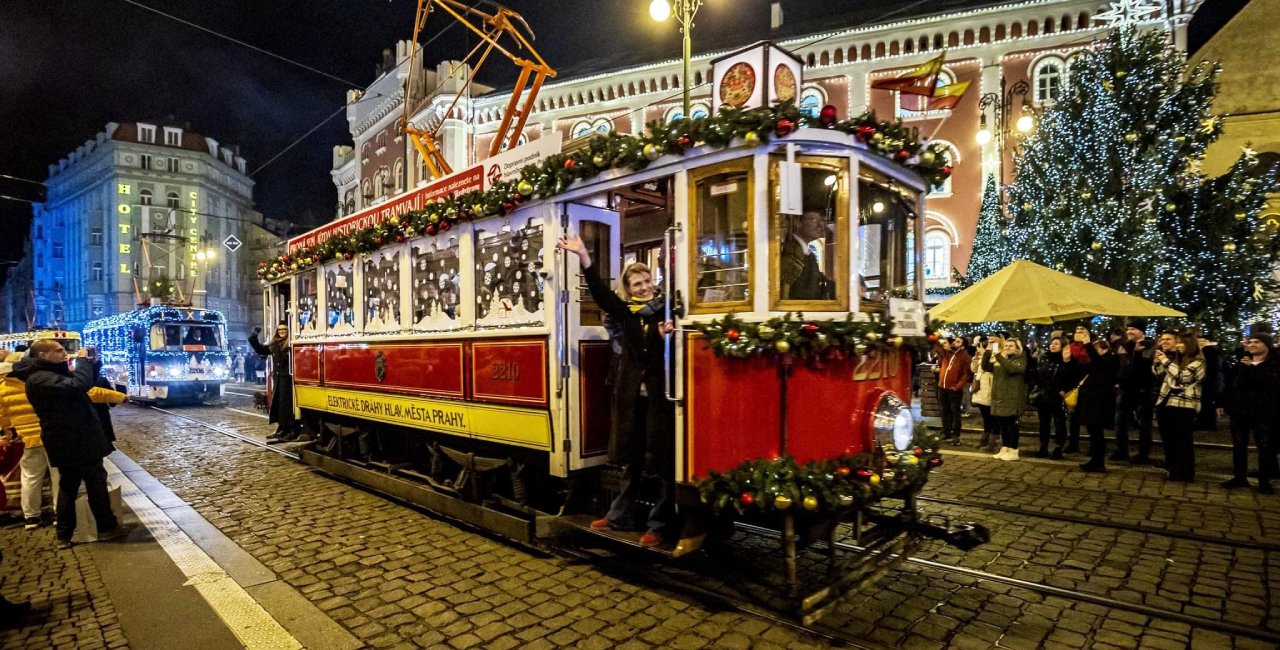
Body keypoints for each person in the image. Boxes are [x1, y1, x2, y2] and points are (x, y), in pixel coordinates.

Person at [557, 234, 675, 548]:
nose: (644, 287)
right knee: (633, 458)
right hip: (633, 397)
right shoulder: (628, 314)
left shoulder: (667, 310)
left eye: (647, 281)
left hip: (662, 397)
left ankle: (659, 525)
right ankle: (620, 516)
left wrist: (667, 339)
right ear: (629, 289)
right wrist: (584, 256)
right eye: (637, 284)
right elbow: (600, 293)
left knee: (662, 460)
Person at [14, 341, 127, 549]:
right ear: (44, 355)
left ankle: (65, 534)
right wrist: (83, 360)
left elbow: (83, 383)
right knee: (93, 483)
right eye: (59, 350)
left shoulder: (48, 373)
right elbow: (78, 386)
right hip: (73, 439)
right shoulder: (40, 378)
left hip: (72, 438)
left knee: (70, 484)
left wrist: (93, 364)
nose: (65, 353)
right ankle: (106, 527)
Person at [1221, 329, 1278, 494]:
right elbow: (1232, 383)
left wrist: (1250, 369)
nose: (1252, 345)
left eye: (1257, 342)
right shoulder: (1242, 362)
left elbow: (1268, 383)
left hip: (1263, 412)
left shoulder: (1273, 364)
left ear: (1267, 346)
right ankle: (1239, 477)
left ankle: (1264, 481)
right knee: (1239, 445)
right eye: (1250, 342)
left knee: (1264, 446)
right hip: (1240, 411)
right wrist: (1225, 403)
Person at [1153, 331, 1206, 482]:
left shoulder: (1198, 361)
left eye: (1181, 343)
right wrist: (1158, 361)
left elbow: (1184, 378)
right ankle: (1173, 467)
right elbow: (1157, 372)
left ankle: (1185, 472)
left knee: (1182, 440)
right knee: (1168, 439)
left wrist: (1166, 361)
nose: (1179, 346)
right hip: (1166, 402)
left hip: (1185, 405)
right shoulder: (1176, 359)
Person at [1070, 328, 1119, 473]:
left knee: (1097, 433)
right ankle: (1095, 460)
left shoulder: (1110, 360)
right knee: (1093, 431)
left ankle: (1099, 462)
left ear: (1102, 349)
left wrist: (1088, 344)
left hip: (1100, 402)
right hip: (1092, 401)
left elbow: (1099, 365)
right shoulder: (1100, 361)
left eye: (1095, 348)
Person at [1114, 320, 1157, 464]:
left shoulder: (1150, 346)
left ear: (1141, 331)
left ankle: (1143, 453)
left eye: (1133, 329)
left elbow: (1145, 369)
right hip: (1125, 389)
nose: (1129, 331)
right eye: (1128, 329)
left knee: (1144, 423)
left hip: (1142, 389)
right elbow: (1122, 365)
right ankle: (1122, 450)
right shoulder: (1125, 346)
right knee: (1120, 421)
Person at [249, 323, 298, 443]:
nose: (281, 331)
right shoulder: (274, 344)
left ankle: (290, 430)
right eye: (280, 329)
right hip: (279, 377)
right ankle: (282, 428)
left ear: (288, 331)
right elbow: (261, 349)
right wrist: (254, 336)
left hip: (288, 377)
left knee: (287, 405)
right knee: (280, 404)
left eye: (284, 329)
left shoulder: (290, 343)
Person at [985, 338, 1028, 461]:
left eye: (1011, 346)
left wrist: (999, 355)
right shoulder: (1003, 359)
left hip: (1012, 399)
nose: (1007, 347)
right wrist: (990, 350)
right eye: (1006, 345)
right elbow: (987, 367)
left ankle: (1014, 450)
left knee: (1011, 426)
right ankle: (1005, 448)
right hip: (1000, 397)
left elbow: (1011, 369)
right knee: (1003, 425)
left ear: (1018, 348)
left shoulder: (1020, 360)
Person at [1032, 336, 1073, 459]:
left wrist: (1064, 390)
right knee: (1044, 423)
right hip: (1044, 395)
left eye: (1056, 343)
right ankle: (1043, 446)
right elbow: (1038, 375)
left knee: (1059, 423)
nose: (1052, 345)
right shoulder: (1044, 358)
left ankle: (1058, 448)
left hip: (1058, 395)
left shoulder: (1067, 360)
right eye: (1051, 343)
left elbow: (1072, 376)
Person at [779, 210, 833, 301]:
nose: (820, 226)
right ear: (797, 222)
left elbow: (819, 283)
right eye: (814, 220)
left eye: (821, 220)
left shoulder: (807, 254)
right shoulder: (790, 253)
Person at [935, 336, 973, 446]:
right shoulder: (948, 353)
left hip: (954, 389)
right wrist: (939, 340)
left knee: (955, 412)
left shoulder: (965, 357)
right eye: (955, 340)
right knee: (944, 411)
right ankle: (946, 432)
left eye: (958, 341)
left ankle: (956, 435)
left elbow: (967, 374)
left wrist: (957, 386)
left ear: (963, 345)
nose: (955, 342)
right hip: (942, 387)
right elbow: (937, 349)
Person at [971, 334, 1000, 453]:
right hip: (981, 389)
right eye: (988, 342)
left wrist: (987, 353)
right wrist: (976, 359)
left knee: (993, 417)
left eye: (992, 342)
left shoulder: (997, 354)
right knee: (985, 416)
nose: (989, 344)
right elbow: (974, 370)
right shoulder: (983, 355)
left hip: (991, 388)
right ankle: (986, 438)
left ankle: (994, 441)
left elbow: (988, 367)